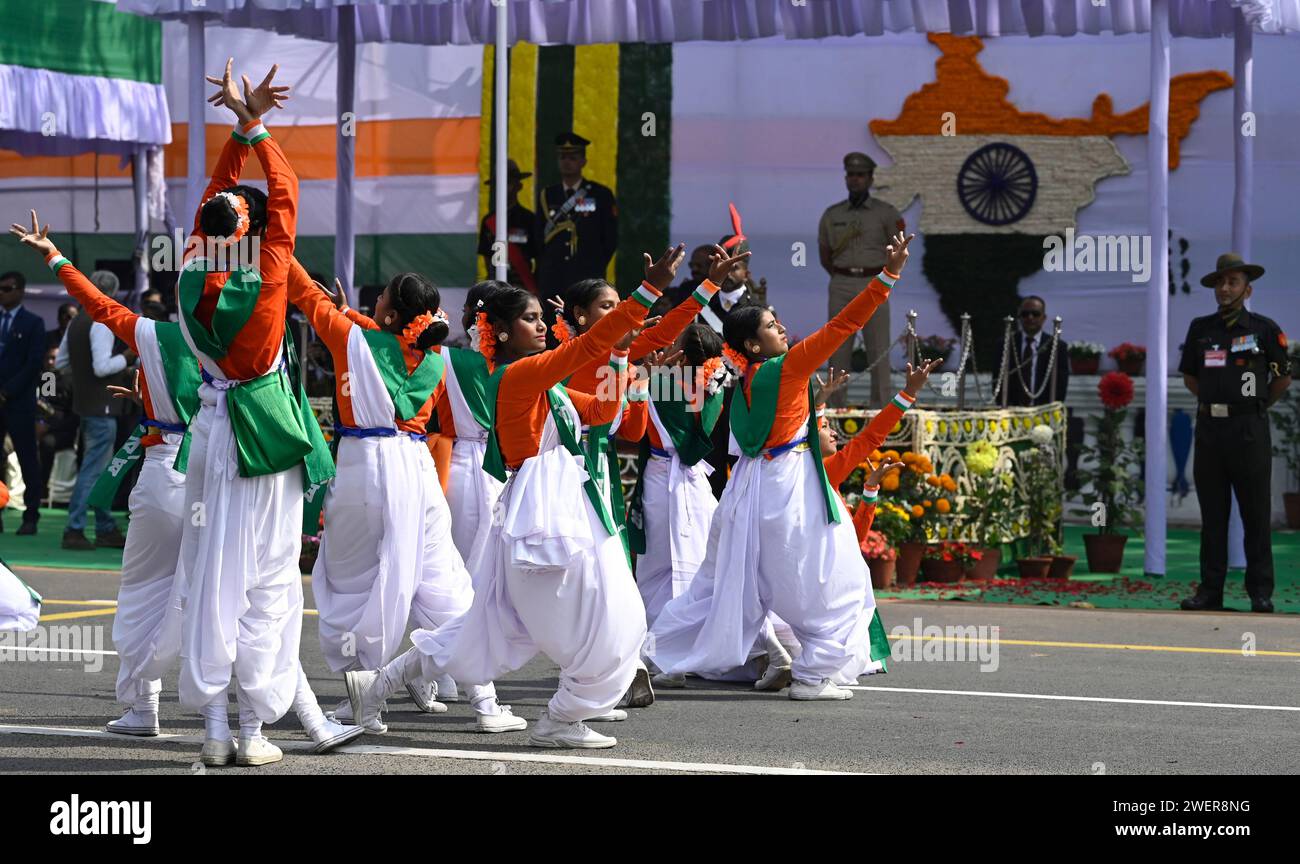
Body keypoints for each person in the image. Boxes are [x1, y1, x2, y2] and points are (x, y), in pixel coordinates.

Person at [8, 211, 360, 755]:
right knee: (253, 596)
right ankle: (286, 725)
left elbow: (100, 307)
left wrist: (52, 254)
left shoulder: (155, 335)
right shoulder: (249, 353)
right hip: (220, 465)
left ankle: (144, 708)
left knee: (152, 595)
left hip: (165, 477)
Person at [344, 249, 679, 750]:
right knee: (612, 618)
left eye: (542, 317)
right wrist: (644, 295)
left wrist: (623, 355)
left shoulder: (549, 385)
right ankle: (562, 718)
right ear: (499, 332)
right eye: (530, 319)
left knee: (485, 627)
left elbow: (606, 412)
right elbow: (584, 346)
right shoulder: (520, 376)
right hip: (544, 518)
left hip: (554, 510)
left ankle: (377, 685)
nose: (542, 325)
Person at [647, 231, 913, 701]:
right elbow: (844, 325)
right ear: (751, 344)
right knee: (835, 581)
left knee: (717, 585)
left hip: (747, 490)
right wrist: (887, 276)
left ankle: (647, 655)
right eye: (772, 325)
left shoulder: (744, 377)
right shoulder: (787, 368)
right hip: (787, 486)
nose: (782, 328)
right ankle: (811, 676)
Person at [174, 59, 336, 768]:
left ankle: (213, 732)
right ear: (253, 228)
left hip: (209, 434)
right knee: (268, 583)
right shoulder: (270, 274)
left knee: (211, 577)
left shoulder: (188, 271)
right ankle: (249, 733)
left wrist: (241, 129)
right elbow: (287, 190)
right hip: (259, 443)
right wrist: (253, 124)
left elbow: (219, 198)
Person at [288, 265, 523, 734]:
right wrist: (351, 313)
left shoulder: (350, 339)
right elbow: (390, 341)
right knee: (443, 580)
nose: (372, 303)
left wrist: (274, 234)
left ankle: (365, 685)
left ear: (393, 312)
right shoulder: (434, 356)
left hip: (364, 465)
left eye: (379, 300)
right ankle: (486, 702)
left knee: (353, 581)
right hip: (417, 470)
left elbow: (297, 286)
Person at [1178, 253, 1291, 614]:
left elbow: (1282, 378)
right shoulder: (1201, 328)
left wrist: (1251, 407)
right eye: (1220, 283)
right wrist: (1218, 404)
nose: (1225, 289)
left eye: (1233, 282)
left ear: (1247, 288)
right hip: (1211, 429)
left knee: (1255, 514)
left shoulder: (1264, 329)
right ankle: (1211, 591)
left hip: (1249, 430)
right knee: (1213, 516)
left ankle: (1260, 592)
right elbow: (1191, 377)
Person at [818, 152, 905, 409]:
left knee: (878, 347)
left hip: (875, 282)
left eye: (860, 175)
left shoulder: (886, 213)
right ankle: (835, 408)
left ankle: (879, 407)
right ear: (846, 178)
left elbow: (899, 251)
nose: (855, 180)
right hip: (842, 282)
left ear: (870, 178)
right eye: (851, 175)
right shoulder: (832, 214)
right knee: (837, 348)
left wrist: (885, 278)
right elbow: (825, 254)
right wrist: (844, 274)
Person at [534, 132, 618, 302]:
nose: (567, 162)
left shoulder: (600, 194)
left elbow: (610, 238)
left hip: (587, 276)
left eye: (572, 157)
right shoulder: (548, 195)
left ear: (583, 161)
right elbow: (538, 238)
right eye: (563, 157)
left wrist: (595, 265)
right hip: (553, 278)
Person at [0, 271, 46, 535]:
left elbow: (34, 363)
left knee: (28, 459)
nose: (2, 293)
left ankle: (31, 515)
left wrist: (7, 391)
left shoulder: (33, 323)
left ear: (20, 291)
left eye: (7, 289)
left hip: (19, 402)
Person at [478, 160, 540, 293]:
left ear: (519, 186)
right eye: (499, 183)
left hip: (522, 286)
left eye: (508, 182)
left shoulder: (529, 219)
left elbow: (538, 256)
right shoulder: (488, 221)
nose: (504, 187)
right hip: (496, 287)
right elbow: (486, 258)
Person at [998, 295, 1069, 407]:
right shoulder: (1005, 344)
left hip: (1043, 411)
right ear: (1019, 317)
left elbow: (1061, 385)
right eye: (1025, 314)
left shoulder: (1056, 346)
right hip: (1011, 411)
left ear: (1044, 317)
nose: (1030, 318)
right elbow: (998, 381)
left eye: (1035, 314)